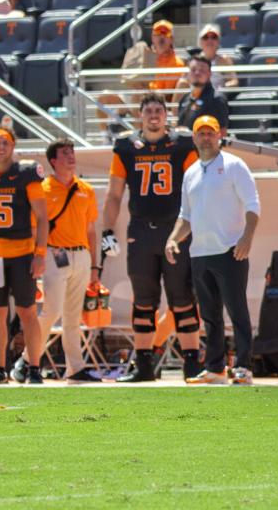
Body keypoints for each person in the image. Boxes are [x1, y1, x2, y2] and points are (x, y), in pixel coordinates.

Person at [103, 94, 202, 383]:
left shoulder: (182, 144)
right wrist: (107, 231)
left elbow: (196, 189)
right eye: (149, 111)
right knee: (143, 300)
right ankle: (143, 365)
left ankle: (192, 364)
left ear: (167, 114)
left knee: (182, 298)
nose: (154, 115)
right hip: (141, 230)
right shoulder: (126, 147)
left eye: (159, 110)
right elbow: (113, 194)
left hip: (175, 228)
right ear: (140, 115)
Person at [168, 115, 260, 386]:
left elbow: (253, 205)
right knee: (209, 315)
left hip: (230, 250)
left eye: (211, 132)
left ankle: (243, 366)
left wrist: (247, 238)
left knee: (237, 310)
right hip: (199, 253)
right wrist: (173, 239)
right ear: (194, 138)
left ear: (219, 135)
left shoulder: (234, 165)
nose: (206, 137)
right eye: (201, 133)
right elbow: (186, 216)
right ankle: (215, 367)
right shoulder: (191, 172)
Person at [30, 139, 101, 383]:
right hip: (53, 254)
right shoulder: (42, 188)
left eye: (72, 152)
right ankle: (29, 361)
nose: (71, 156)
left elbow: (91, 230)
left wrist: (94, 265)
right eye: (65, 153)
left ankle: (76, 368)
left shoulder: (86, 189)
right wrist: (36, 256)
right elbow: (35, 227)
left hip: (81, 254)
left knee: (73, 317)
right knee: (52, 311)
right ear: (53, 161)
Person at [0, 128, 48, 385]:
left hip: (21, 252)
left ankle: (34, 367)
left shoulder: (25, 173)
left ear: (13, 146)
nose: (0, 146)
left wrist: (40, 254)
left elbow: (42, 217)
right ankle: (0, 368)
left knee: (27, 311)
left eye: (4, 142)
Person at [176, 55, 230, 131]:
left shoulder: (217, 99)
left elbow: (222, 132)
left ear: (209, 74)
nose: (197, 73)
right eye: (193, 69)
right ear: (188, 73)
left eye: (202, 70)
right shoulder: (185, 99)